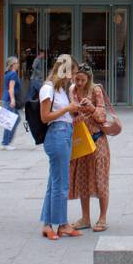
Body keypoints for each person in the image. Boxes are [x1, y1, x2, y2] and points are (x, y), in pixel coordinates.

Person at [38, 54, 91, 241]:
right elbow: (45, 117)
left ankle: (47, 225)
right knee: (61, 184)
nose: (74, 77)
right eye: (73, 72)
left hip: (65, 133)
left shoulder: (61, 90)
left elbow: (64, 113)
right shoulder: (48, 88)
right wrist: (67, 109)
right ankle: (62, 225)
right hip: (57, 135)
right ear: (65, 70)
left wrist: (75, 108)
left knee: (54, 182)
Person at [69, 62, 112, 232]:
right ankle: (85, 218)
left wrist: (91, 107)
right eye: (76, 79)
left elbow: (102, 116)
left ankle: (102, 217)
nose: (79, 83)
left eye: (82, 80)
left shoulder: (96, 90)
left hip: (97, 140)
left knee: (100, 178)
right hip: (81, 140)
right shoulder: (72, 91)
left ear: (89, 79)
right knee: (82, 180)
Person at [0, 56, 21, 150]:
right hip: (9, 100)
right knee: (10, 121)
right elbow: (11, 88)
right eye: (17, 63)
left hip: (6, 99)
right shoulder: (13, 74)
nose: (18, 65)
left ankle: (7, 141)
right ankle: (5, 143)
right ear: (13, 65)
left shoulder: (7, 73)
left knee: (16, 119)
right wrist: (12, 99)